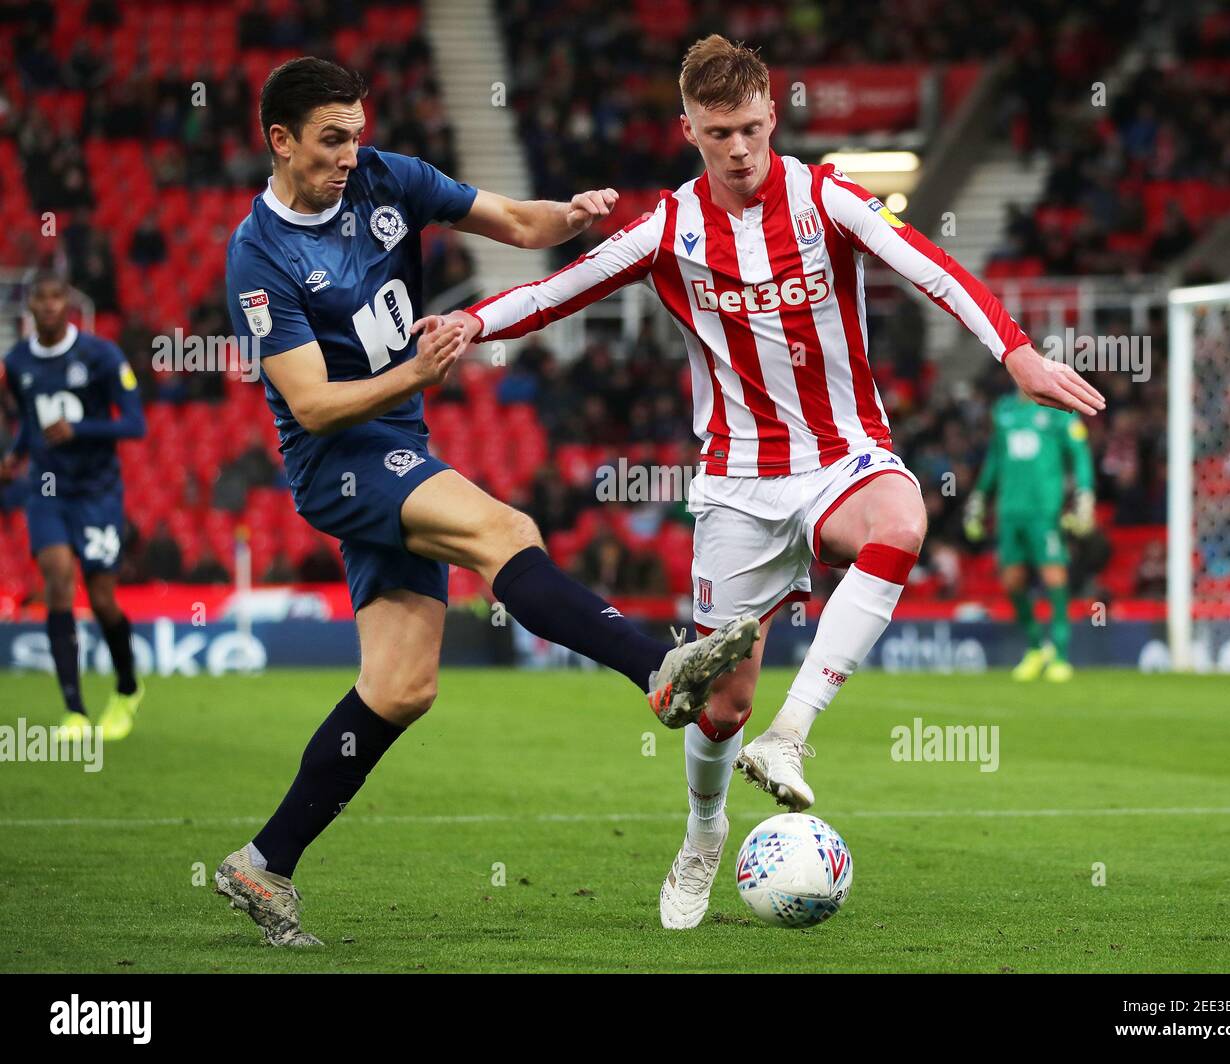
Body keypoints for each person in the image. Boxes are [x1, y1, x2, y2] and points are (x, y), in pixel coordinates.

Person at [423, 35, 1105, 929]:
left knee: (902, 519)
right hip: (738, 484)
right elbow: (563, 288)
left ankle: (792, 736)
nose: (739, 149)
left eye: (750, 127)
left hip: (842, 454)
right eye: (718, 134)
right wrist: (472, 323)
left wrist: (1014, 351)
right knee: (715, 707)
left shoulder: (828, 199)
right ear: (688, 131)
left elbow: (934, 270)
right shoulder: (671, 227)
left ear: (773, 114)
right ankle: (705, 834)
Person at [218, 57, 758, 947]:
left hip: (399, 445)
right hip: (340, 460)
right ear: (280, 140)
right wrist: (413, 373)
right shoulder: (259, 254)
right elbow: (310, 403)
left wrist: (573, 218)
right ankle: (656, 669)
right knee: (506, 529)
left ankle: (263, 864)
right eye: (331, 138)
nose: (352, 152)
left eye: (357, 131)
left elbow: (510, 219)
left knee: (401, 687)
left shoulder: (387, 176)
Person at [1, 272, 146, 740]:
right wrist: (17, 454)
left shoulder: (101, 355)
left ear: (68, 303)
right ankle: (75, 711)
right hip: (48, 490)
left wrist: (78, 430)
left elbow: (136, 425)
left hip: (98, 491)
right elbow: (30, 419)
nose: (48, 305)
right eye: (40, 298)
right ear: (30, 307)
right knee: (57, 577)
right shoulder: (17, 361)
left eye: (56, 296)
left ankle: (127, 688)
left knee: (102, 597)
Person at [964, 389, 1096, 681]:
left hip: (1043, 510)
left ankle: (1060, 653)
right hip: (1010, 510)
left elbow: (1079, 453)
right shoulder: (1004, 409)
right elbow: (995, 458)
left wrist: (1084, 493)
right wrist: (980, 496)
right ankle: (1037, 646)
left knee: (1053, 576)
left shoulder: (1058, 410)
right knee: (1012, 580)